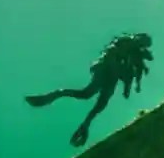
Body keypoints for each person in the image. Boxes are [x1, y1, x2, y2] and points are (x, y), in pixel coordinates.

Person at [25, 32, 153, 147]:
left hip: (111, 77)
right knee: (86, 94)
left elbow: (134, 70)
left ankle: (84, 125)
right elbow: (114, 56)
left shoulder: (136, 54)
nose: (141, 44)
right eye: (142, 41)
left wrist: (131, 85)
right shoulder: (126, 42)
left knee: (99, 104)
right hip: (105, 70)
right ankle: (55, 95)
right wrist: (127, 81)